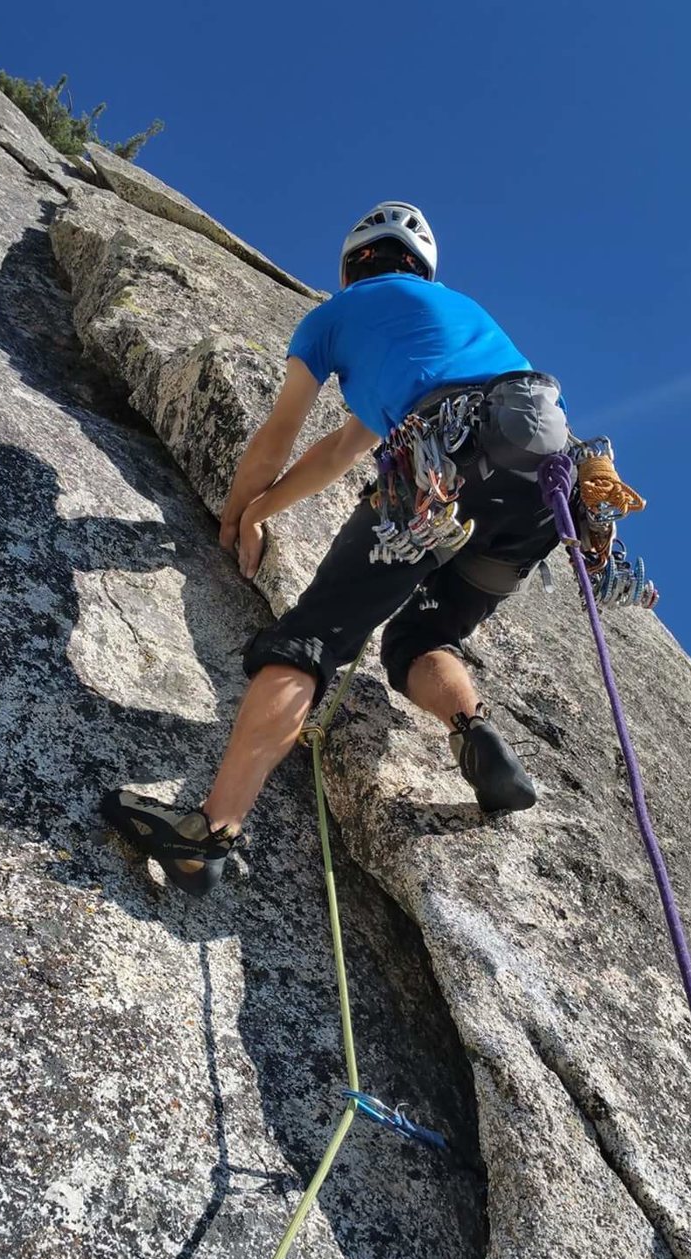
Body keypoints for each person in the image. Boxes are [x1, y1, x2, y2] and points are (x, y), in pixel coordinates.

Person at [102, 202, 569, 894]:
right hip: (541, 491)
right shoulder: (459, 320)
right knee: (420, 637)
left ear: (355, 265)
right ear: (422, 267)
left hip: (446, 462)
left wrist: (236, 514)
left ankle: (210, 833)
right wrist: (265, 508)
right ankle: (471, 729)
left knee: (310, 641)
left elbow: (283, 433)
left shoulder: (335, 317)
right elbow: (340, 449)